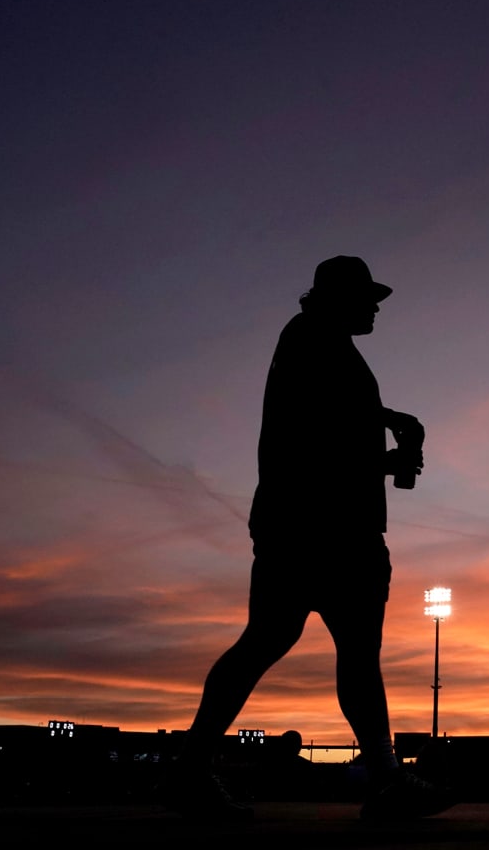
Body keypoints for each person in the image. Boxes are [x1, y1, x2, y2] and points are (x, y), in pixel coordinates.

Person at [166, 256, 453, 822]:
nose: (375, 307)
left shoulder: (314, 342)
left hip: (302, 524)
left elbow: (329, 423)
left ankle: (192, 769)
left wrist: (388, 418)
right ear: (336, 298)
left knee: (273, 644)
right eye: (367, 297)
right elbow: (323, 445)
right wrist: (388, 455)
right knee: (332, 653)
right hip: (326, 528)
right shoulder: (317, 343)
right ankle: (385, 781)